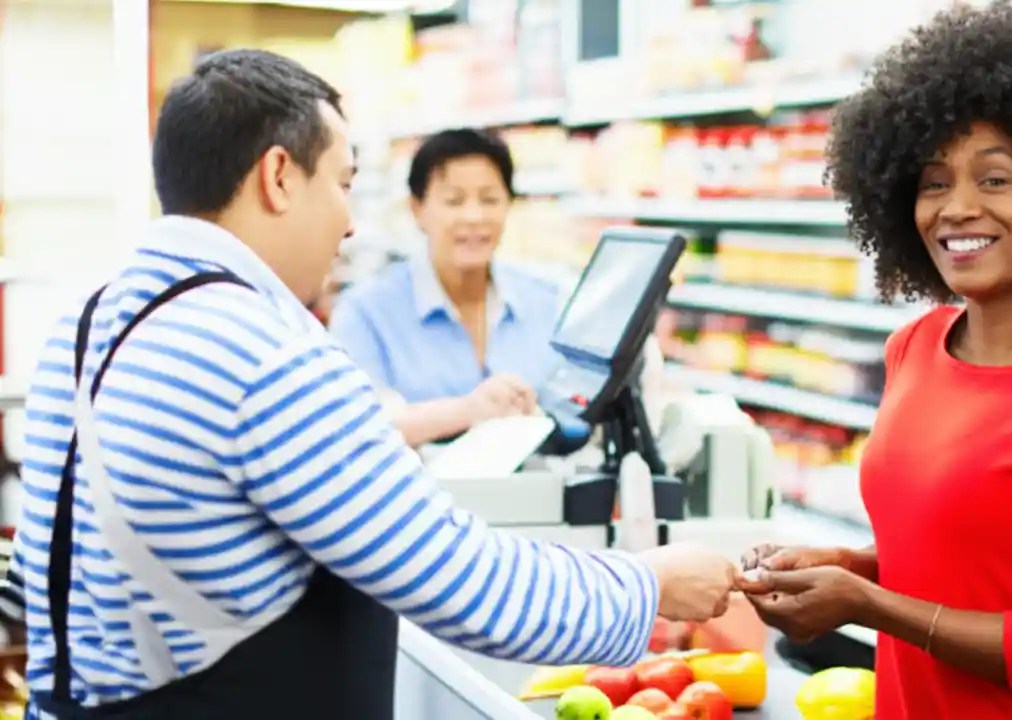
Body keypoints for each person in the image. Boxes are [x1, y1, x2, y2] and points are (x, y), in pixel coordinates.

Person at [13, 49, 735, 720]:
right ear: (277, 177)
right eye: (343, 183)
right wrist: (647, 585)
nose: (351, 223)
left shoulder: (83, 324)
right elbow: (468, 585)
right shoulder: (265, 355)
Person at [738, 6, 1012, 719]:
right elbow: (963, 562)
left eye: (994, 180)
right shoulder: (915, 346)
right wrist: (849, 568)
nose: (956, 207)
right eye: (934, 182)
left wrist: (869, 605)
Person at [328, 129, 562, 446]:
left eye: (490, 199)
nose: (474, 216)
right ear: (417, 209)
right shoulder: (365, 313)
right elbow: (361, 427)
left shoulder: (548, 302)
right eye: (454, 201)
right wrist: (469, 410)